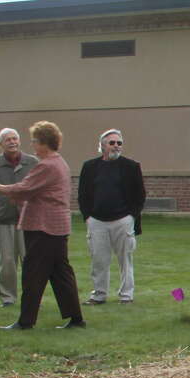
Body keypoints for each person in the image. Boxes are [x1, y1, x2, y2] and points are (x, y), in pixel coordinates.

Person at [0, 122, 85, 330]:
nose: (32, 145)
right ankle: (76, 319)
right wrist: (18, 197)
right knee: (61, 273)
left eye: (35, 141)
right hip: (56, 228)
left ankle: (25, 322)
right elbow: (35, 192)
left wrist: (1, 188)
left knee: (33, 274)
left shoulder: (47, 165)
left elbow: (24, 188)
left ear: (45, 143)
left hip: (44, 228)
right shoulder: (58, 162)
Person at [78, 128, 146, 305]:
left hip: (123, 220)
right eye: (112, 143)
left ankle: (126, 295)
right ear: (102, 145)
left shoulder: (131, 167)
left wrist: (131, 216)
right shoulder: (90, 167)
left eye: (119, 143)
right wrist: (88, 217)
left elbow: (140, 195)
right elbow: (83, 195)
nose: (116, 146)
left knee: (126, 260)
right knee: (99, 260)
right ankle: (99, 295)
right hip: (97, 221)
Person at [0, 128, 37, 307]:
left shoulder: (32, 162)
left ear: (19, 141)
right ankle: (8, 298)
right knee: (7, 262)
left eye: (15, 139)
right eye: (8, 140)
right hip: (4, 220)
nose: (12, 142)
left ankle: (32, 297)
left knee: (30, 260)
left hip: (29, 220)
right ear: (1, 144)